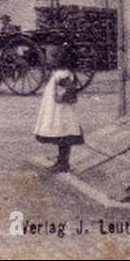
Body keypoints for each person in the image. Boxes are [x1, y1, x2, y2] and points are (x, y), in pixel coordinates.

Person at [34, 44, 83, 172]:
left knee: (62, 132)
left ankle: (63, 162)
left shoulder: (62, 74)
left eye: (51, 57)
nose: (48, 60)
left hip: (61, 110)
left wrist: (61, 95)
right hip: (59, 108)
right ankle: (62, 160)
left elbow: (67, 90)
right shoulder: (60, 73)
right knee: (61, 133)